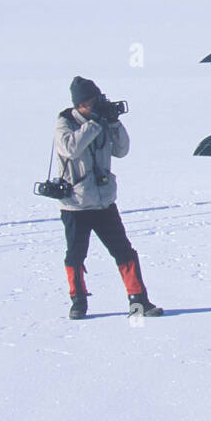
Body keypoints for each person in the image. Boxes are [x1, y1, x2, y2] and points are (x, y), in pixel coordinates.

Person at [55, 76, 163, 320]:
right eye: (92, 102)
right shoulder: (65, 124)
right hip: (76, 205)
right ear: (81, 104)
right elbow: (70, 149)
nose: (97, 105)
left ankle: (139, 302)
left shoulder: (101, 121)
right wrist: (94, 122)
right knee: (75, 255)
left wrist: (113, 123)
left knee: (124, 251)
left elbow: (122, 150)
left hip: (104, 202)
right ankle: (78, 302)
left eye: (98, 100)